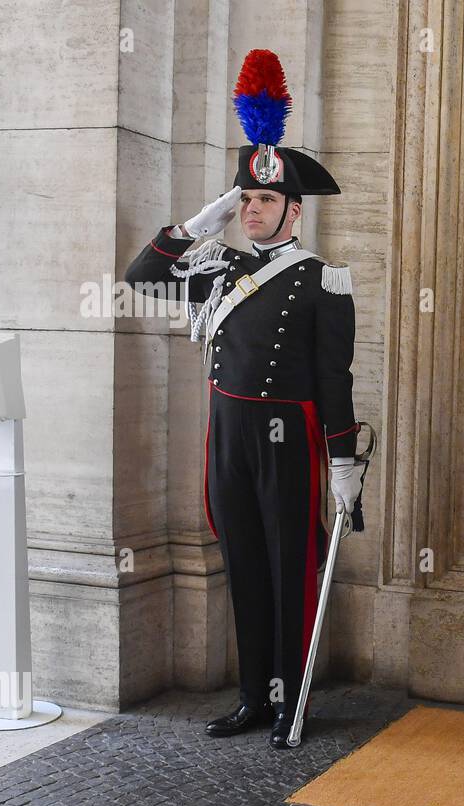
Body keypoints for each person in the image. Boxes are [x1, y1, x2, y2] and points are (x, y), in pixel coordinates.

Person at [125, 50, 362, 749]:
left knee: (291, 570)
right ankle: (254, 697)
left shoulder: (326, 280)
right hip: (227, 435)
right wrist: (203, 221)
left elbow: (335, 377)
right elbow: (144, 276)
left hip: (289, 437)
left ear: (294, 208)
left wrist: (342, 465)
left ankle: (292, 703)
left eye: (264, 201)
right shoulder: (220, 266)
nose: (252, 212)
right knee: (244, 569)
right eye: (246, 201)